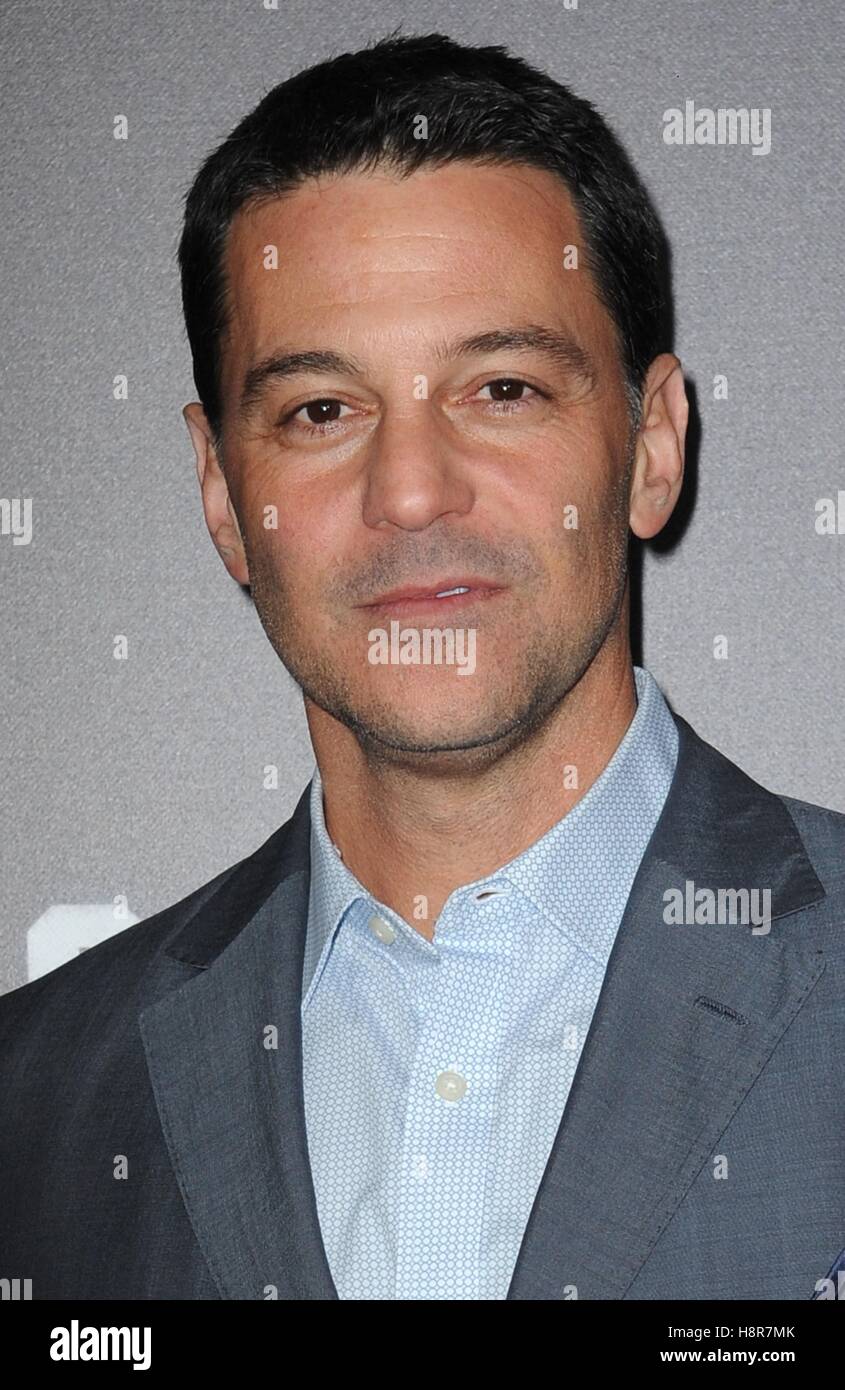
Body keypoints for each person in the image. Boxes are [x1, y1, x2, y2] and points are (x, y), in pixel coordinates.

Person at [1, 31, 843, 1302]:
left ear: (651, 445)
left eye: (500, 387)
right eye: (320, 410)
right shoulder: (37, 1096)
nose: (409, 491)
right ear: (224, 492)